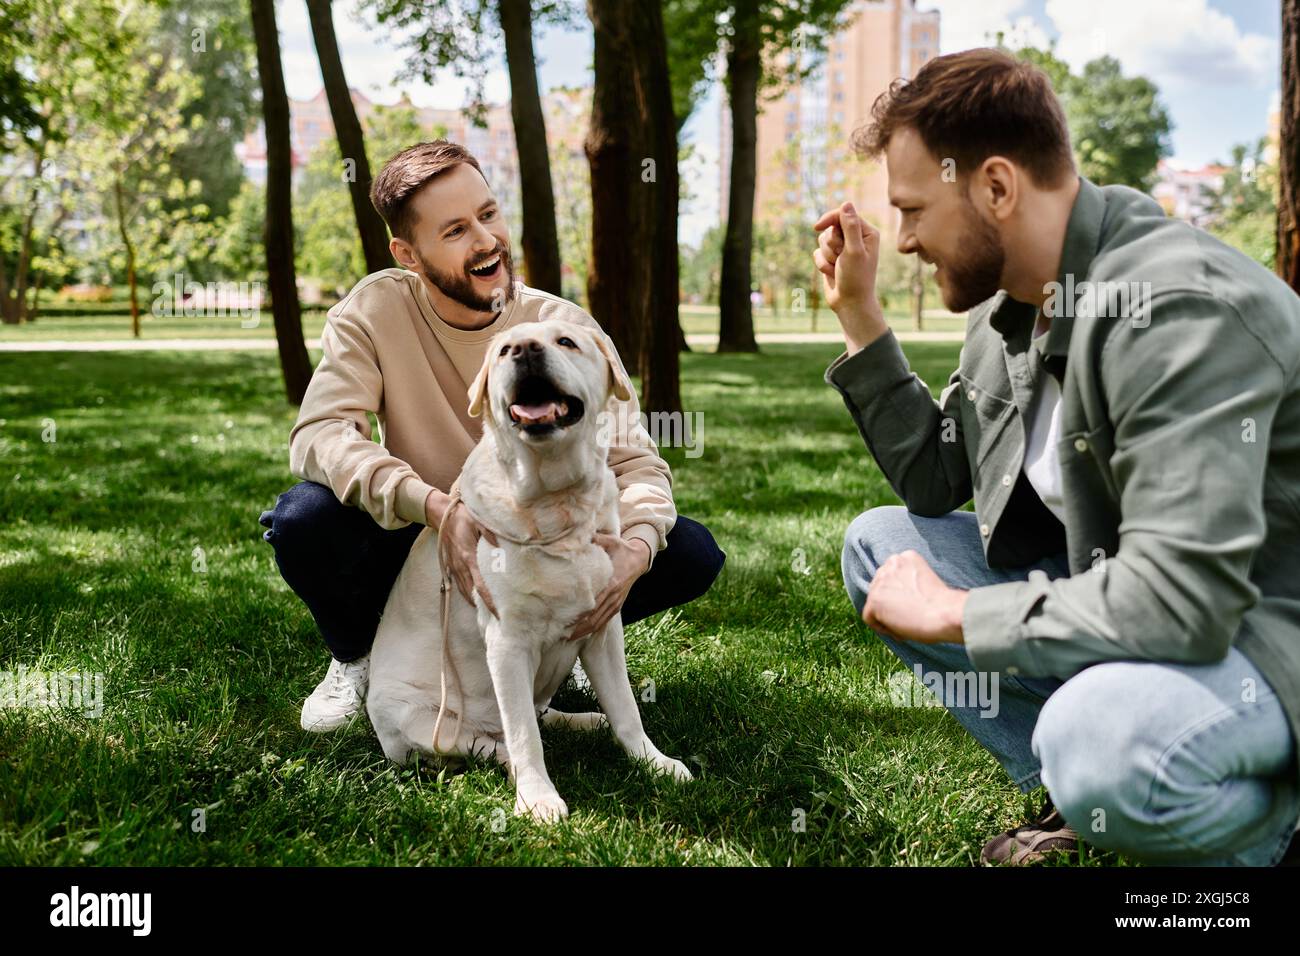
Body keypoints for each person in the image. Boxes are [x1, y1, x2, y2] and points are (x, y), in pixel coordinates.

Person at [817, 48, 1300, 865]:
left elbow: (1186, 598)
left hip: (1260, 632)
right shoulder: (1013, 300)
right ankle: (1082, 799)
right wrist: (861, 321)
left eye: (913, 209)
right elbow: (937, 480)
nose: (901, 240)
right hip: (1139, 605)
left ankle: (1270, 829)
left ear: (996, 188)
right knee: (883, 545)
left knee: (1098, 743)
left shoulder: (1172, 310)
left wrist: (964, 614)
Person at [259, 139, 725, 733]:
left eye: (488, 214)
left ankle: (561, 643)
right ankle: (359, 658)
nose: (485, 241)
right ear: (407, 253)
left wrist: (634, 550)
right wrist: (433, 506)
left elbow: (637, 465)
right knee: (303, 519)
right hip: (421, 544)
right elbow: (319, 434)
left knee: (685, 550)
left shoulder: (561, 326)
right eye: (454, 231)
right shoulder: (373, 313)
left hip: (542, 543)